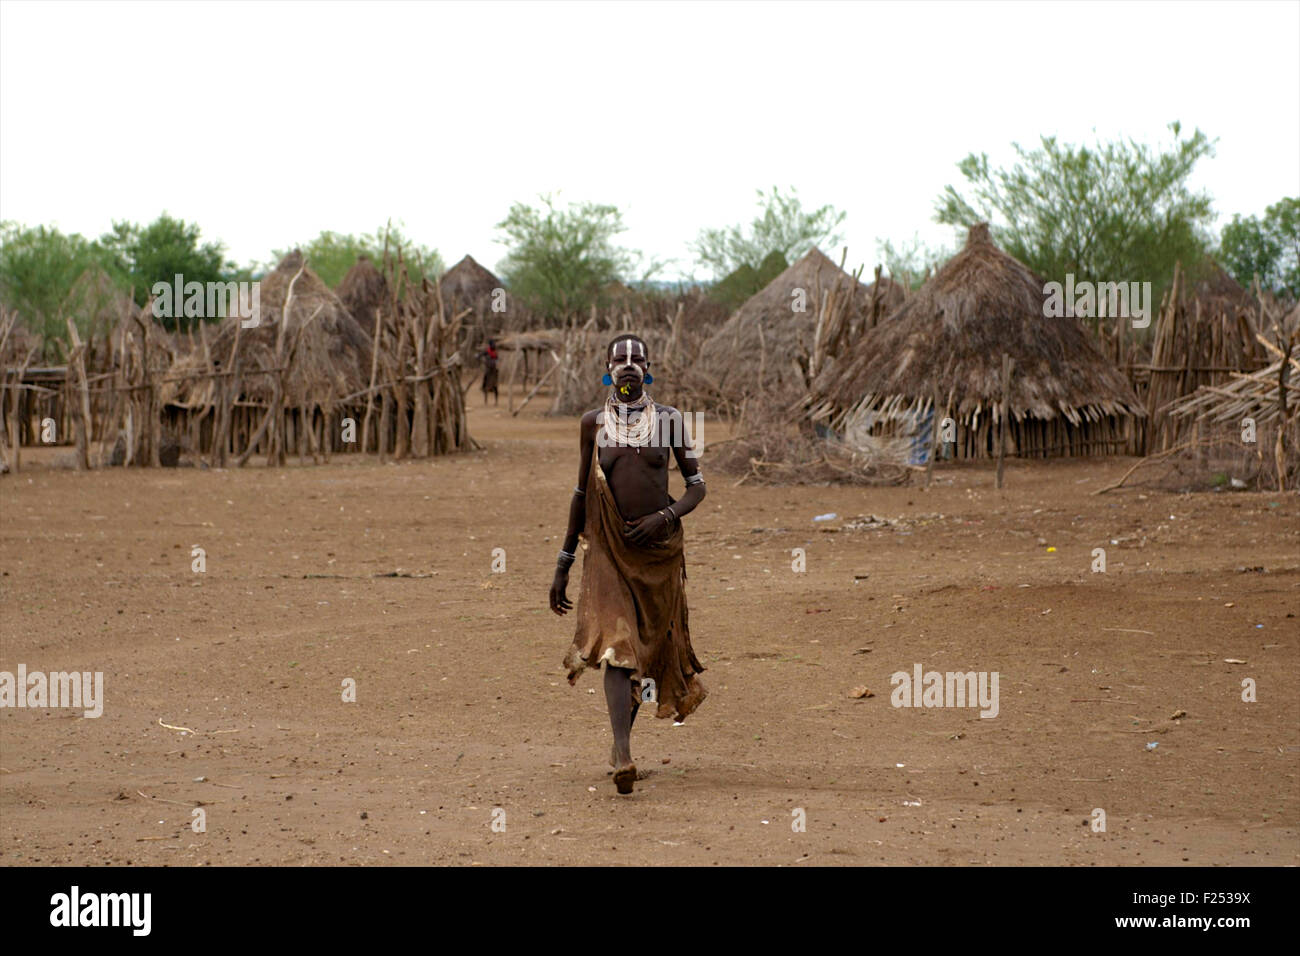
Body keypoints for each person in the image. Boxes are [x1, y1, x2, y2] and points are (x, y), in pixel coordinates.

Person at [549, 334, 707, 794]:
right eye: (620, 360)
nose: (629, 366)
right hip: (608, 552)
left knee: (648, 650)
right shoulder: (593, 424)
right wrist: (562, 562)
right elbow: (582, 493)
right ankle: (622, 752)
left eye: (637, 360)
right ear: (607, 367)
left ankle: (623, 740)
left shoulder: (671, 422)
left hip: (657, 556)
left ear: (649, 367)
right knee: (618, 645)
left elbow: (697, 488)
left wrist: (665, 516)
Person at [480, 338, 499, 405]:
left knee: (495, 385)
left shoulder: (495, 352)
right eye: (493, 344)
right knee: (485, 377)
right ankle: (483, 388)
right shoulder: (487, 351)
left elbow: (497, 359)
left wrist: (495, 362)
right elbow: (481, 355)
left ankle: (496, 401)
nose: (494, 345)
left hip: (494, 369)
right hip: (488, 369)